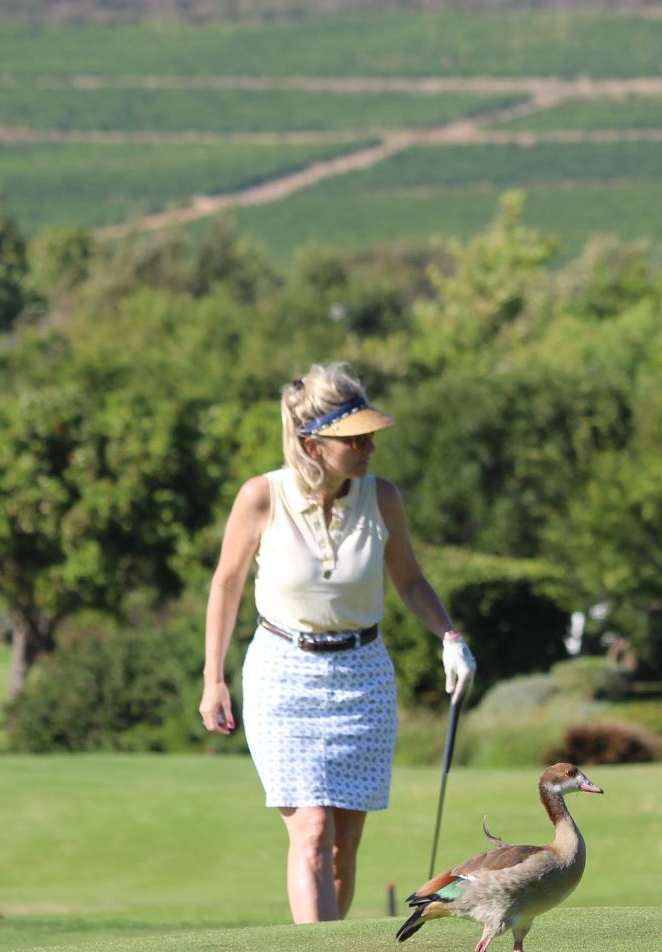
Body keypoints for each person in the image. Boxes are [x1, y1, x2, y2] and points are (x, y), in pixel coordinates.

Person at [200, 364, 475, 923]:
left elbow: (410, 581)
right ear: (312, 444)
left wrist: (450, 636)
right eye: (355, 439)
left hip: (364, 676)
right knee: (311, 832)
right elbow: (226, 584)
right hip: (281, 670)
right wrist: (213, 679)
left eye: (370, 435)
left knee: (342, 848)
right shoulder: (261, 496)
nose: (370, 447)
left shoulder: (383, 498)